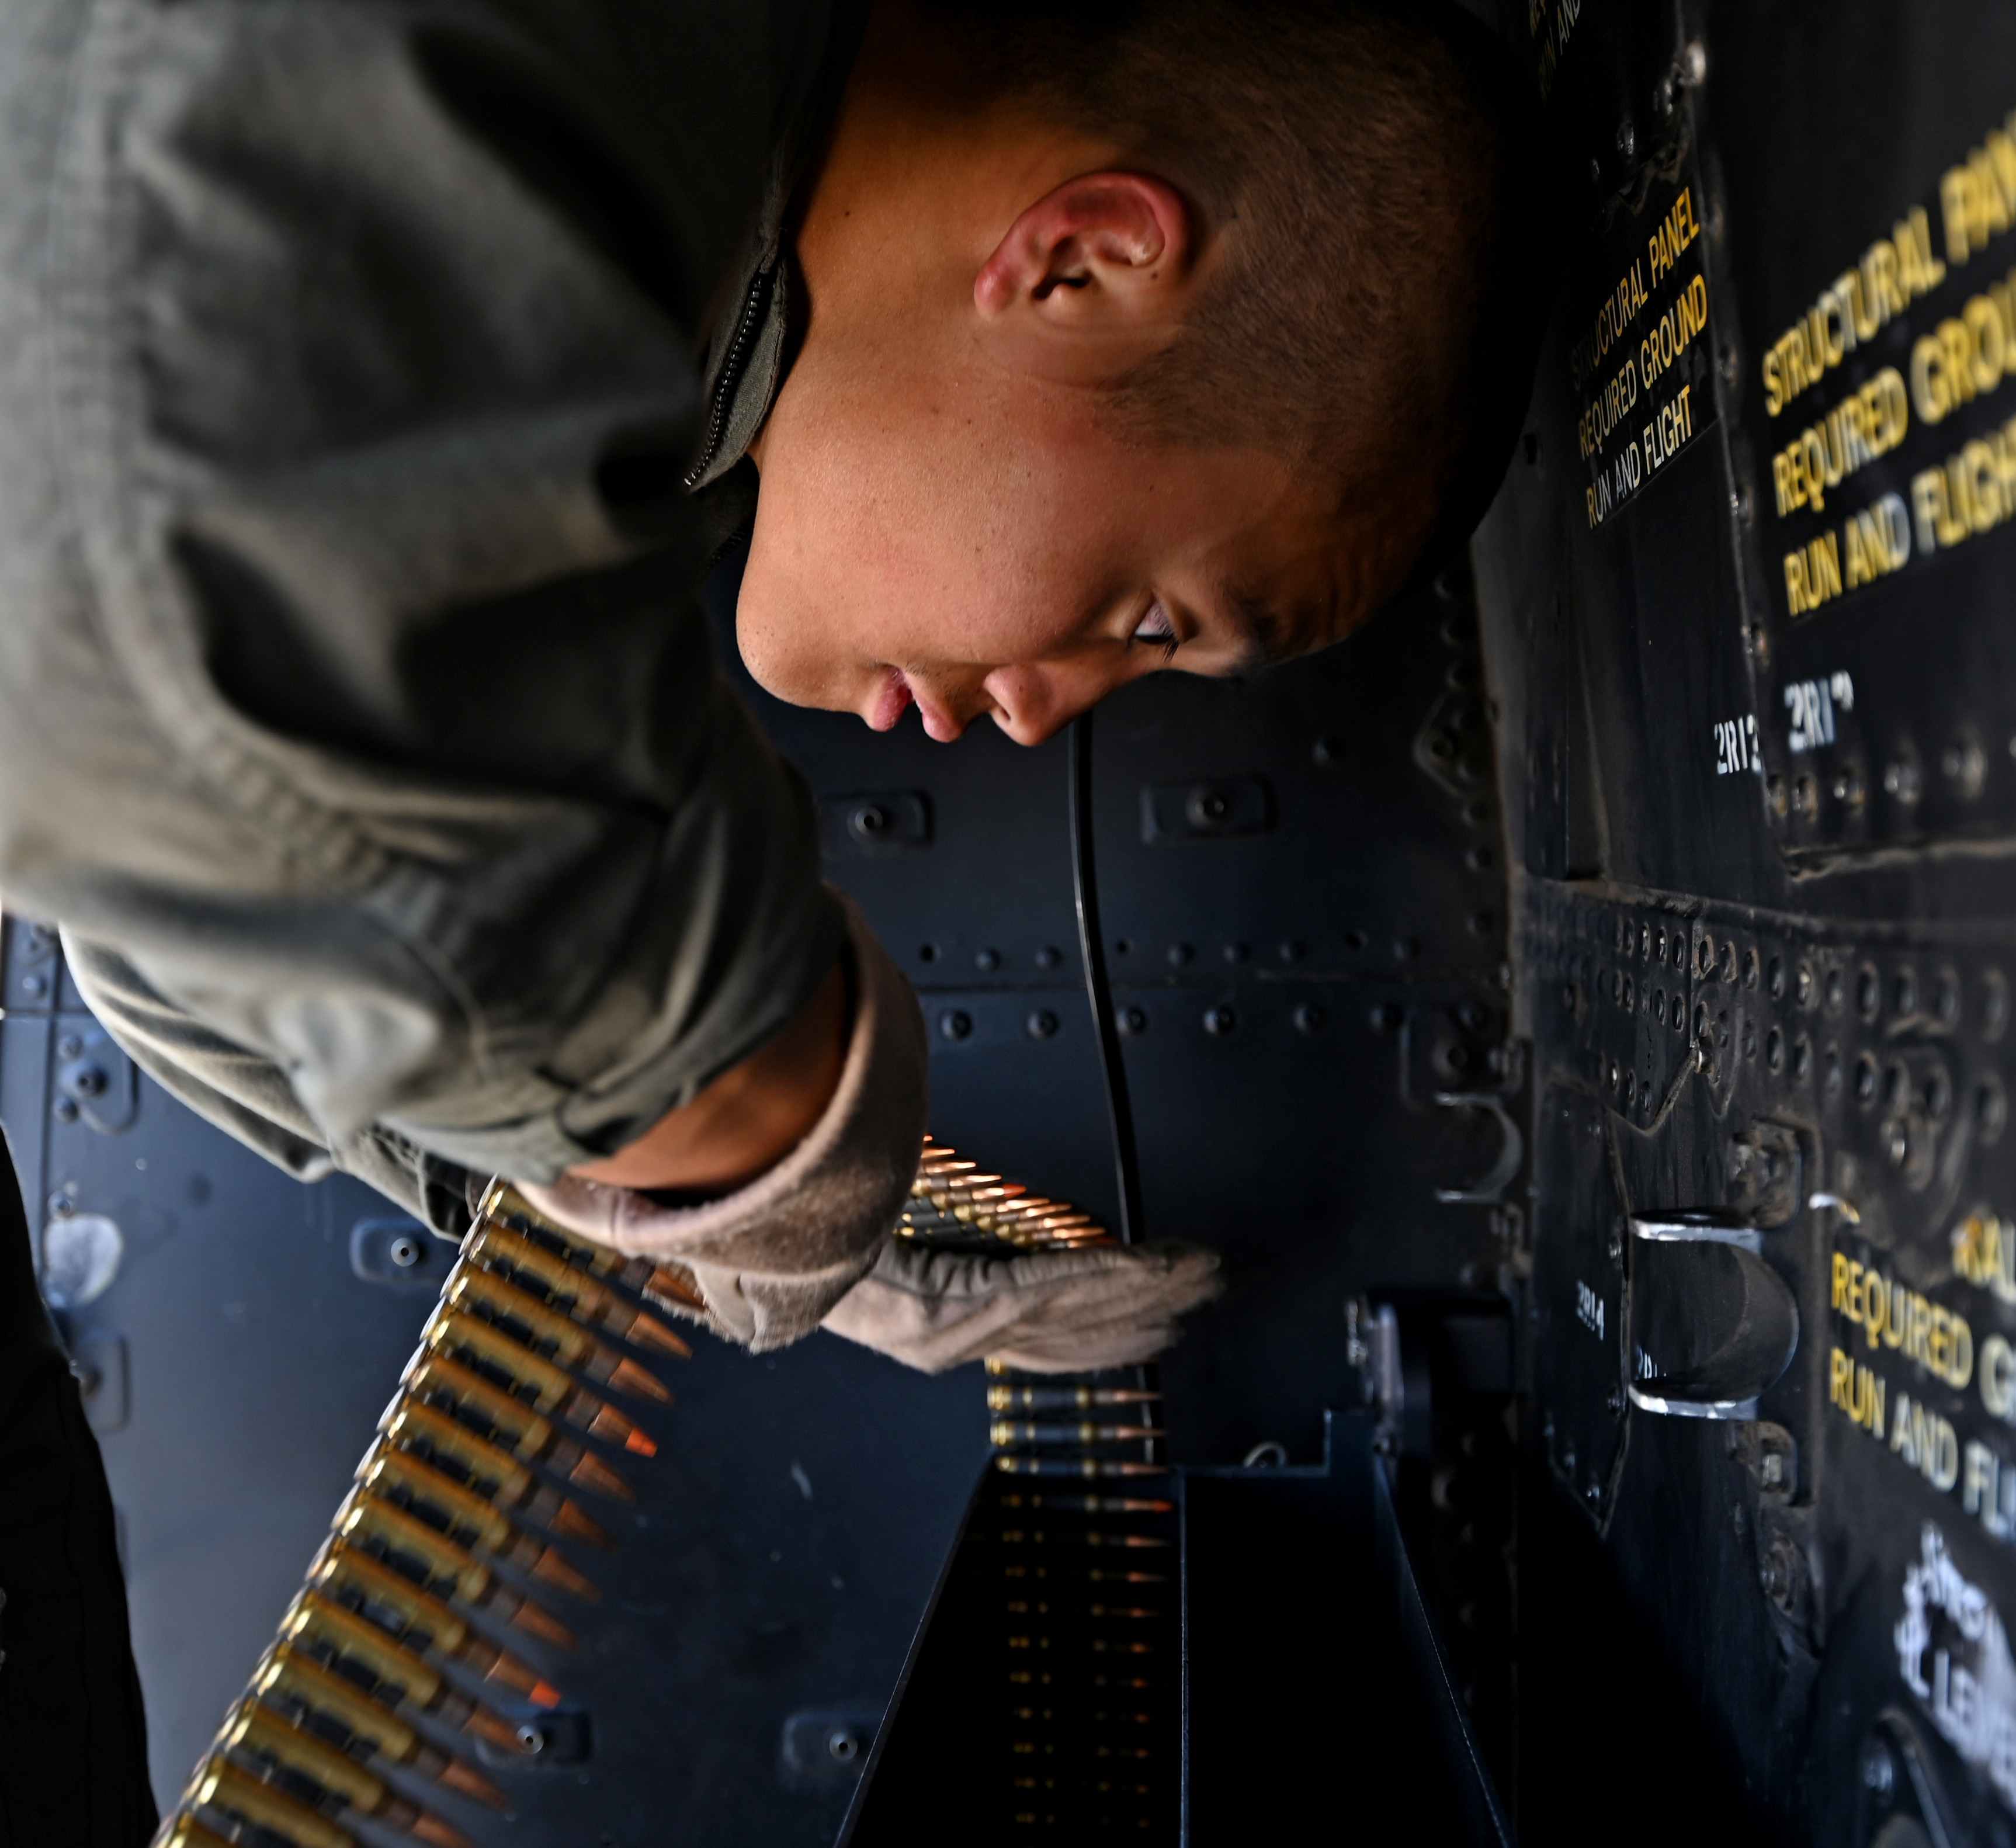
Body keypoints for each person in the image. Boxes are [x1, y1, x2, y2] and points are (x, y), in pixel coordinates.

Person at [0, 0, 1550, 1830]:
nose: (1049, 703)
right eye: (1149, 614)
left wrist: (637, 1170)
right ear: (1083, 258)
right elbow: (149, 552)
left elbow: (154, 901)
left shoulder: (633, 300)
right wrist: (756, 1111)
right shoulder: (520, 114)